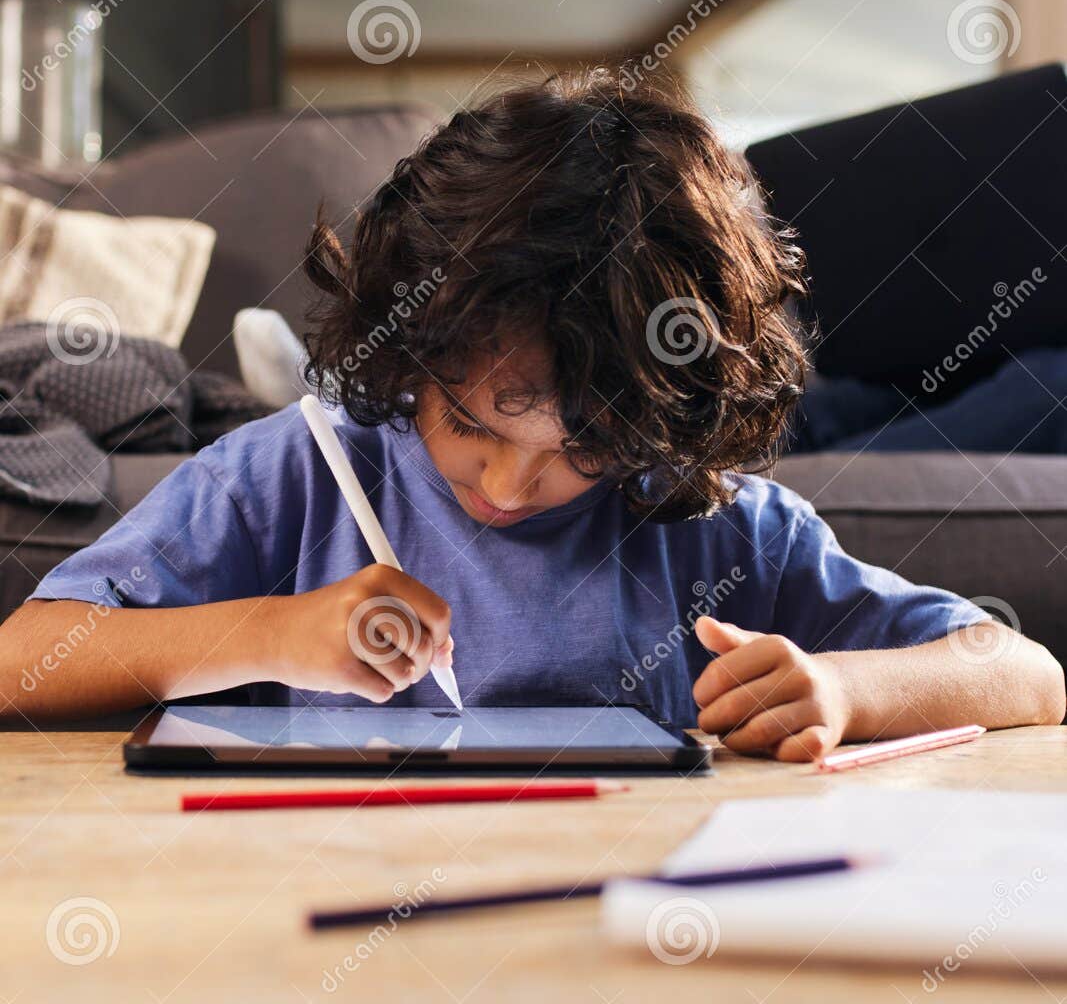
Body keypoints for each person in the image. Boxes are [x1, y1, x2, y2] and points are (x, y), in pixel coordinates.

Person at [1, 70, 1061, 758]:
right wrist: (272, 631)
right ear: (409, 353)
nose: (508, 487)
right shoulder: (297, 475)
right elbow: (23, 662)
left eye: (581, 446)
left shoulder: (709, 523)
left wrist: (841, 688)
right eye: (469, 424)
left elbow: (1025, 673)